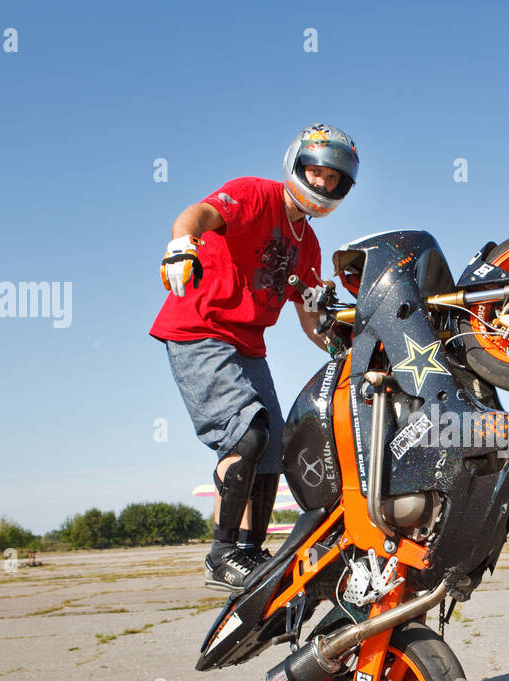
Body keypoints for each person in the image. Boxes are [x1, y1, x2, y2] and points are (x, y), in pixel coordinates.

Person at [149, 123, 359, 593]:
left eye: (333, 178)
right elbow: (198, 214)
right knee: (246, 435)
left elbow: (309, 314)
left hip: (248, 345)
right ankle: (221, 554)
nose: (323, 183)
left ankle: (249, 552)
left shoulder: (308, 244)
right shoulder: (255, 195)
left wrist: (342, 350)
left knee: (274, 448)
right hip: (200, 330)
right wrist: (181, 244)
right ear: (297, 165)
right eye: (316, 171)